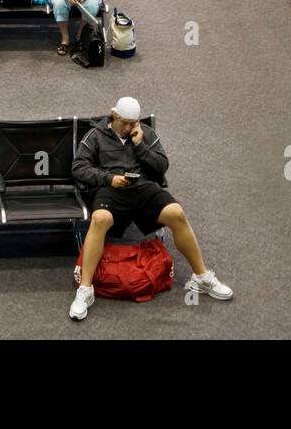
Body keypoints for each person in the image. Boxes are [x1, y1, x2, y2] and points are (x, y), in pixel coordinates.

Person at [69, 97, 233, 321]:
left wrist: (140, 145)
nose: (129, 128)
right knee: (99, 219)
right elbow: (78, 168)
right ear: (114, 117)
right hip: (111, 189)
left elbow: (162, 166)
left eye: (133, 123)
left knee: (176, 213)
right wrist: (108, 178)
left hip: (143, 187)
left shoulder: (144, 133)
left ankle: (202, 277)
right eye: (124, 123)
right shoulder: (95, 136)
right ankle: (85, 290)